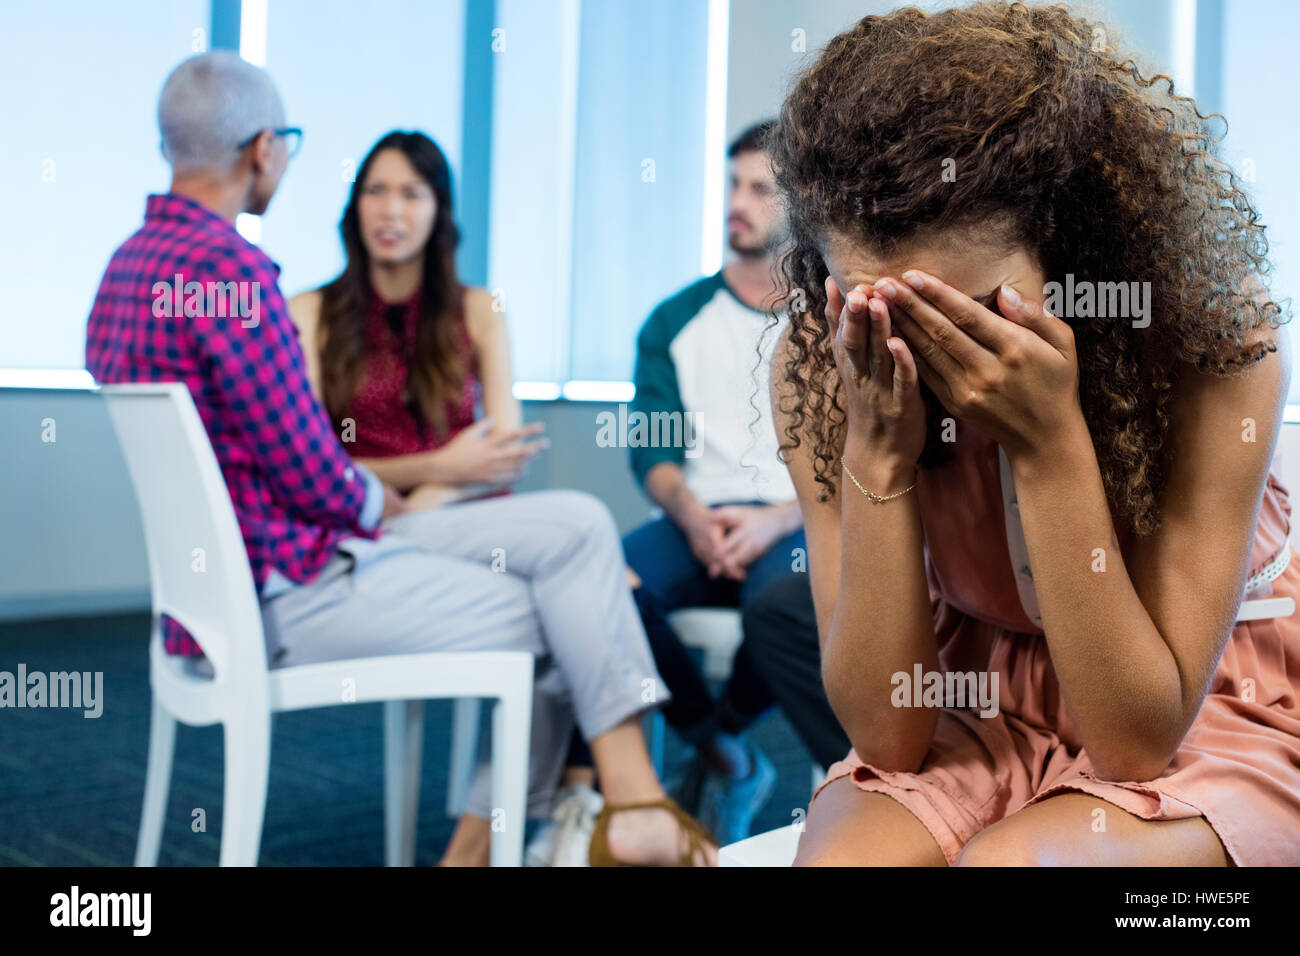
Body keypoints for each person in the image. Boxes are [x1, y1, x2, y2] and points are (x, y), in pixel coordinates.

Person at [85, 52, 714, 867]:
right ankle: (603, 818)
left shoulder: (122, 272)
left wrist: (405, 496)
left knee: (579, 528)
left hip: (235, 585)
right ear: (263, 149)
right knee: (580, 612)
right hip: (295, 587)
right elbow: (313, 475)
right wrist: (422, 488)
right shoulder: (234, 275)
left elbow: (298, 467)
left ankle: (622, 806)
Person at [769, 1, 1300, 866]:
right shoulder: (823, 362)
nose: (926, 347)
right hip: (973, 694)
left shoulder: (1211, 339)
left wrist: (1051, 447)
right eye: (880, 306)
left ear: (1074, 247)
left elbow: (1137, 742)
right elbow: (891, 737)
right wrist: (874, 452)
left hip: (1204, 696)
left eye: (968, 311)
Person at [618, 121, 846, 846]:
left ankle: (725, 742)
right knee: (606, 580)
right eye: (731, 184)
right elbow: (650, 448)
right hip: (697, 519)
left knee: (781, 605)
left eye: (758, 188)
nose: (736, 203)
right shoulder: (674, 319)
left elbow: (855, 458)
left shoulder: (834, 315)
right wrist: (689, 516)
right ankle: (722, 752)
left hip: (795, 525)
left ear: (801, 203)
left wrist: (779, 519)